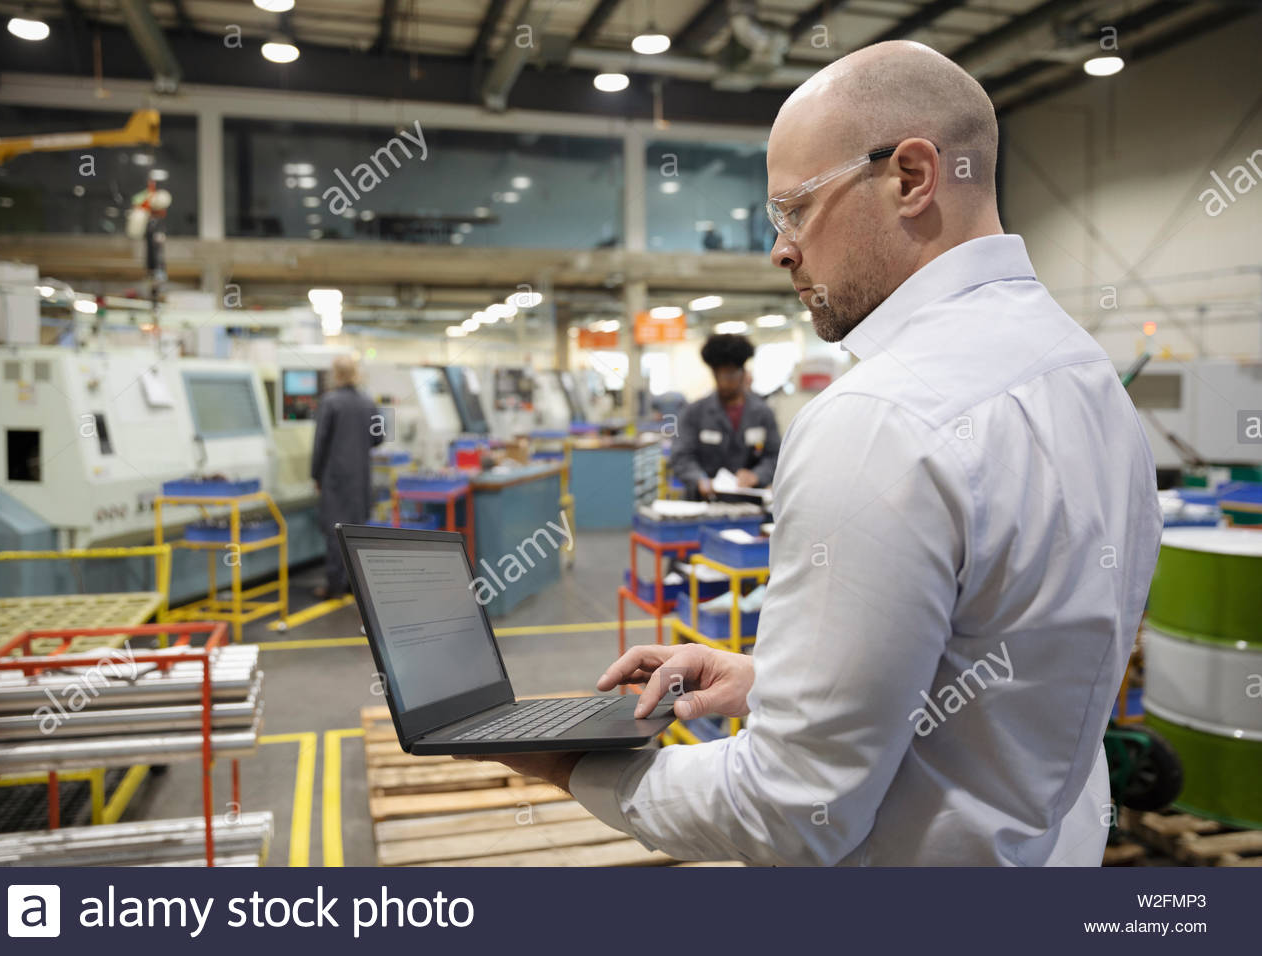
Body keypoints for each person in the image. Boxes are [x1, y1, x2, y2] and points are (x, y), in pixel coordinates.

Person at [482, 41, 1162, 866]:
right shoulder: (1084, 374)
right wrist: (779, 680)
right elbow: (1008, 683)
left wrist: (568, 764)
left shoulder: (881, 416)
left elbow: (791, 810)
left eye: (795, 209)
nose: (781, 249)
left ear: (912, 177)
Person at [670, 333, 780, 499]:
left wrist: (756, 475)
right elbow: (681, 456)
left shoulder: (763, 413)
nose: (723, 382)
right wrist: (699, 479)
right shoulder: (694, 412)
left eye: (730, 374)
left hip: (749, 505)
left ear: (743, 373)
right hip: (705, 504)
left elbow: (774, 456)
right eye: (718, 374)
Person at [310, 354, 381, 599]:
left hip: (335, 476)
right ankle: (355, 584)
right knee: (356, 531)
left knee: (334, 531)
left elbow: (320, 442)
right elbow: (378, 438)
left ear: (336, 374)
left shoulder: (330, 402)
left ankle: (334, 586)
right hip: (361, 476)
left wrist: (315, 474)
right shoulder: (368, 402)